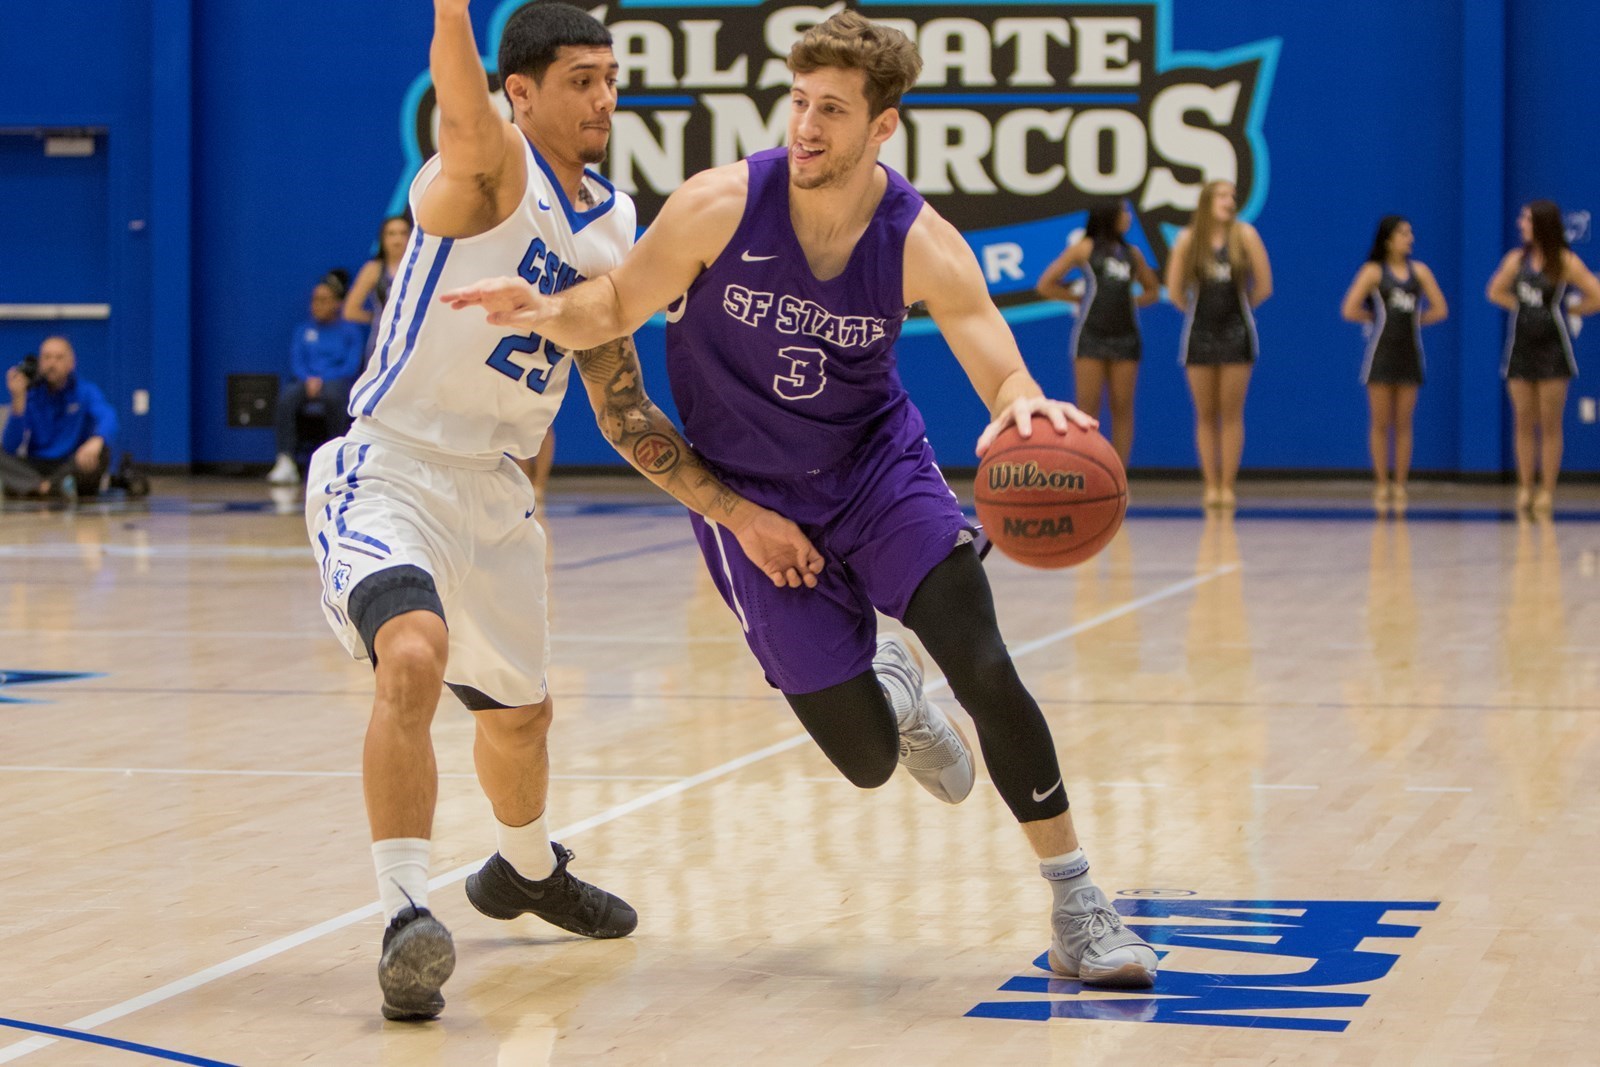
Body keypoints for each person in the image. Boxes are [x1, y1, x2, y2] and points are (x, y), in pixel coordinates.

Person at [442, 10, 1158, 990]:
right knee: (866, 759)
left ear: (883, 126)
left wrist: (1024, 408)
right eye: (799, 104)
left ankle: (1078, 900)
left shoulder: (918, 240)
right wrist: (546, 312)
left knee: (986, 662)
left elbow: (996, 359)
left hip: (877, 472)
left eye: (833, 111)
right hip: (748, 500)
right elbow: (613, 305)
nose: (808, 128)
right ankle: (892, 689)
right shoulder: (718, 206)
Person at [307, 0, 820, 1023]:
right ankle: (407, 914)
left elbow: (624, 411)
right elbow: (457, 95)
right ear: (522, 92)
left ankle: (525, 867)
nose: (603, 96)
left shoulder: (614, 224)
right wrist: (453, 11)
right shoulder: (485, 170)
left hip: (496, 491)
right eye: (580, 79)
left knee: (522, 716)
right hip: (391, 466)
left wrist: (736, 514)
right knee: (410, 651)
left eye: (608, 76)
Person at [1486, 199, 1600, 512]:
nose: (1521, 224)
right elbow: (1494, 290)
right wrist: (1521, 306)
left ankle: (1547, 490)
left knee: (1550, 424)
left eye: (1526, 218)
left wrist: (1569, 309)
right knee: (1523, 420)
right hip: (1520, 348)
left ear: (1542, 223)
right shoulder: (1515, 260)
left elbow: (1596, 295)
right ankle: (1525, 488)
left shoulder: (1564, 261)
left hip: (1553, 349)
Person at [1165, 180, 1273, 508]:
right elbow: (1174, 291)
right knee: (1205, 413)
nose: (1229, 201)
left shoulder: (1246, 236)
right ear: (1206, 201)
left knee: (1231, 413)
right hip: (1199, 334)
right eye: (1222, 195)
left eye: (1232, 196)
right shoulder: (1188, 240)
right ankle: (1210, 485)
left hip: (1237, 333)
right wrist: (1200, 312)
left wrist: (1238, 311)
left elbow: (1264, 287)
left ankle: (1228, 486)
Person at [1034, 200, 1160, 466]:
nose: (1128, 217)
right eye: (1124, 212)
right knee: (1088, 409)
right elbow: (1045, 284)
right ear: (1109, 216)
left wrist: (1129, 301)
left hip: (1126, 336)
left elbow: (1152, 290)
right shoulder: (1085, 248)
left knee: (1122, 408)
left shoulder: (1133, 254)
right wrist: (1077, 298)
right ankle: (1084, 469)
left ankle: (1119, 472)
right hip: (1091, 335)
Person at [1340, 216, 1448, 510]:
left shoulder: (1420, 272)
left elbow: (1440, 309)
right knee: (1380, 422)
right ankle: (1381, 484)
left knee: (1403, 423)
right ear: (1388, 239)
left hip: (1410, 353)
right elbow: (1349, 309)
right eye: (1403, 233)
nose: (1410, 238)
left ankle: (1400, 484)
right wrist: (1375, 318)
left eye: (1410, 232)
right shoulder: (1373, 272)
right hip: (1381, 354)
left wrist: (1416, 320)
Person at [267, 271, 364, 485]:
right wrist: (309, 379)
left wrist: (325, 379)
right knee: (287, 397)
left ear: (337, 303)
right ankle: (285, 460)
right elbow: (297, 361)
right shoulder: (304, 330)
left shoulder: (350, 331)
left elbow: (351, 365)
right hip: (306, 380)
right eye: (314, 300)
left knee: (333, 396)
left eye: (324, 300)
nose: (317, 305)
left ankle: (336, 458)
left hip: (336, 381)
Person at [1, 335, 118, 500]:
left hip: (71, 462)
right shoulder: (31, 395)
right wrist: (17, 401)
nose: (52, 363)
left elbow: (108, 416)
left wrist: (98, 439)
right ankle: (46, 487)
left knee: (101, 453)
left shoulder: (85, 391)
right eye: (47, 357)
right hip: (37, 463)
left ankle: (31, 486)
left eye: (59, 358)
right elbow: (10, 446)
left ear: (71, 363)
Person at [344, 213, 415, 370]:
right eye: (391, 234)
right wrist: (381, 318)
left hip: (414, 339)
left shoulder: (421, 267)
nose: (397, 240)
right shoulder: (373, 270)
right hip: (382, 340)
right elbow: (350, 311)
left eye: (403, 233)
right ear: (382, 239)